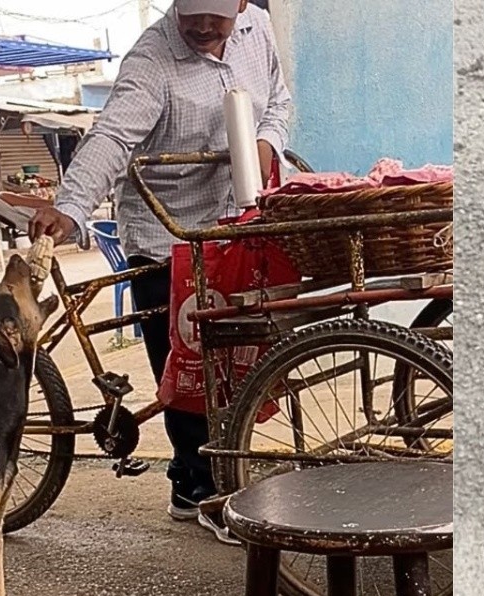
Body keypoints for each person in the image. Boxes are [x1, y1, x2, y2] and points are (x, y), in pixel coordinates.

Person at [28, 0, 291, 545]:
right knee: (191, 367)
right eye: (188, 11)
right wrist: (72, 207)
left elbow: (278, 102)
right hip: (167, 233)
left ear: (240, 6)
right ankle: (195, 487)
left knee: (235, 360)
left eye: (213, 16)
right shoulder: (153, 58)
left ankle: (222, 466)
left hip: (235, 225)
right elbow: (111, 139)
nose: (199, 26)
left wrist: (264, 144)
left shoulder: (257, 30)